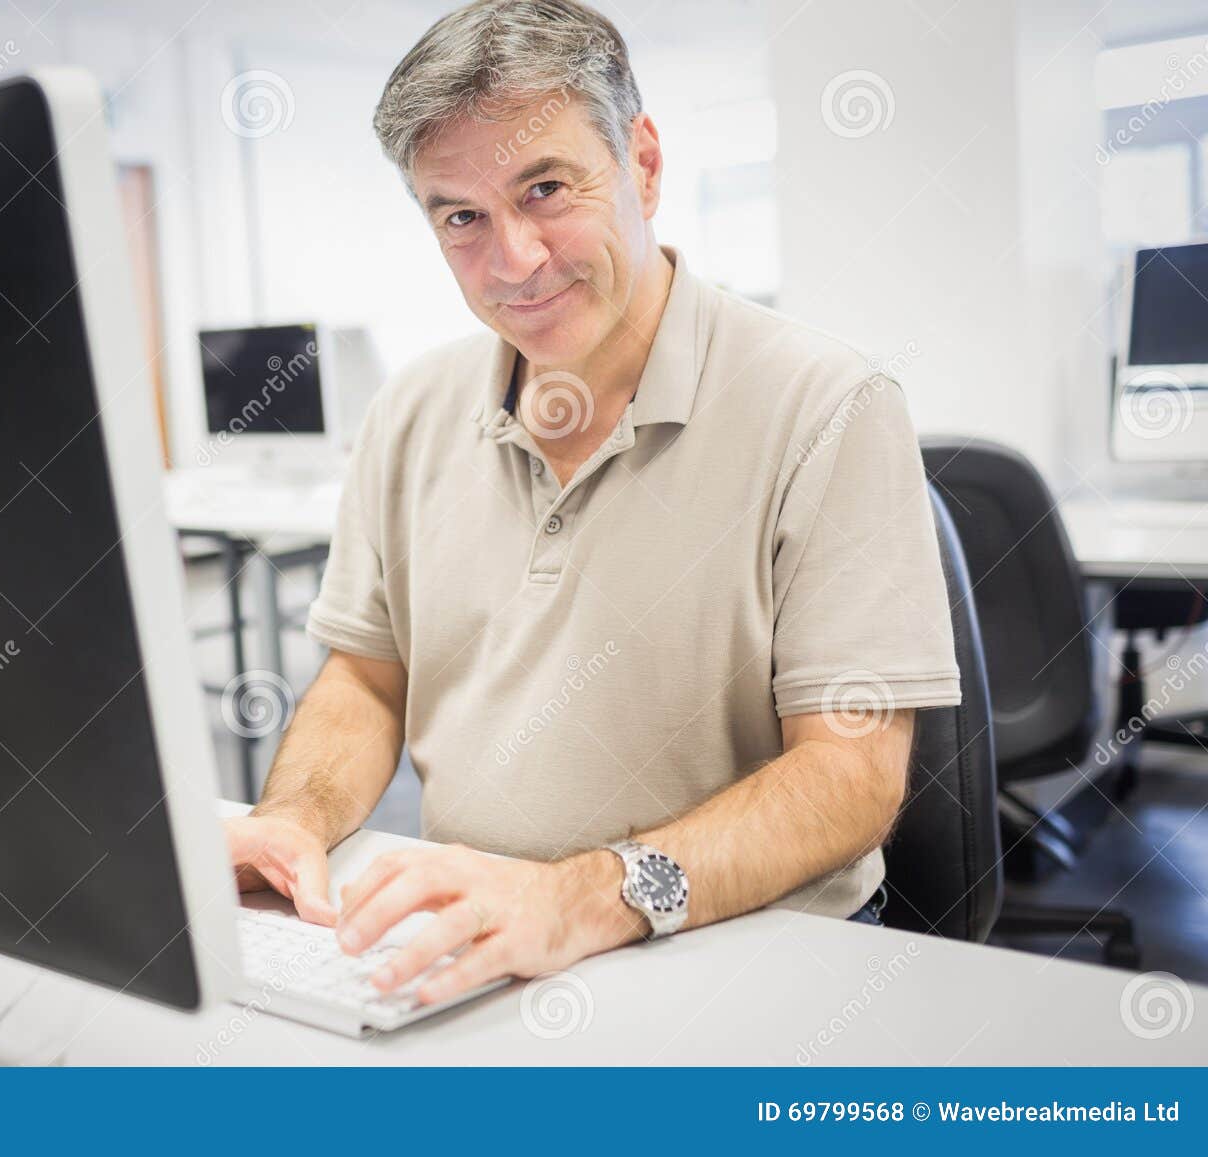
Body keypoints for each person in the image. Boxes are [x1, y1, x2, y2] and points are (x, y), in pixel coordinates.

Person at [225, 0, 958, 1005]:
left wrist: (584, 897)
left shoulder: (828, 405)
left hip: (745, 955)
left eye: (545, 188)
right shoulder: (409, 411)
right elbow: (365, 680)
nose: (514, 259)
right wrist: (293, 817)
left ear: (642, 163)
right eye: (461, 217)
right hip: (480, 943)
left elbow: (850, 778)